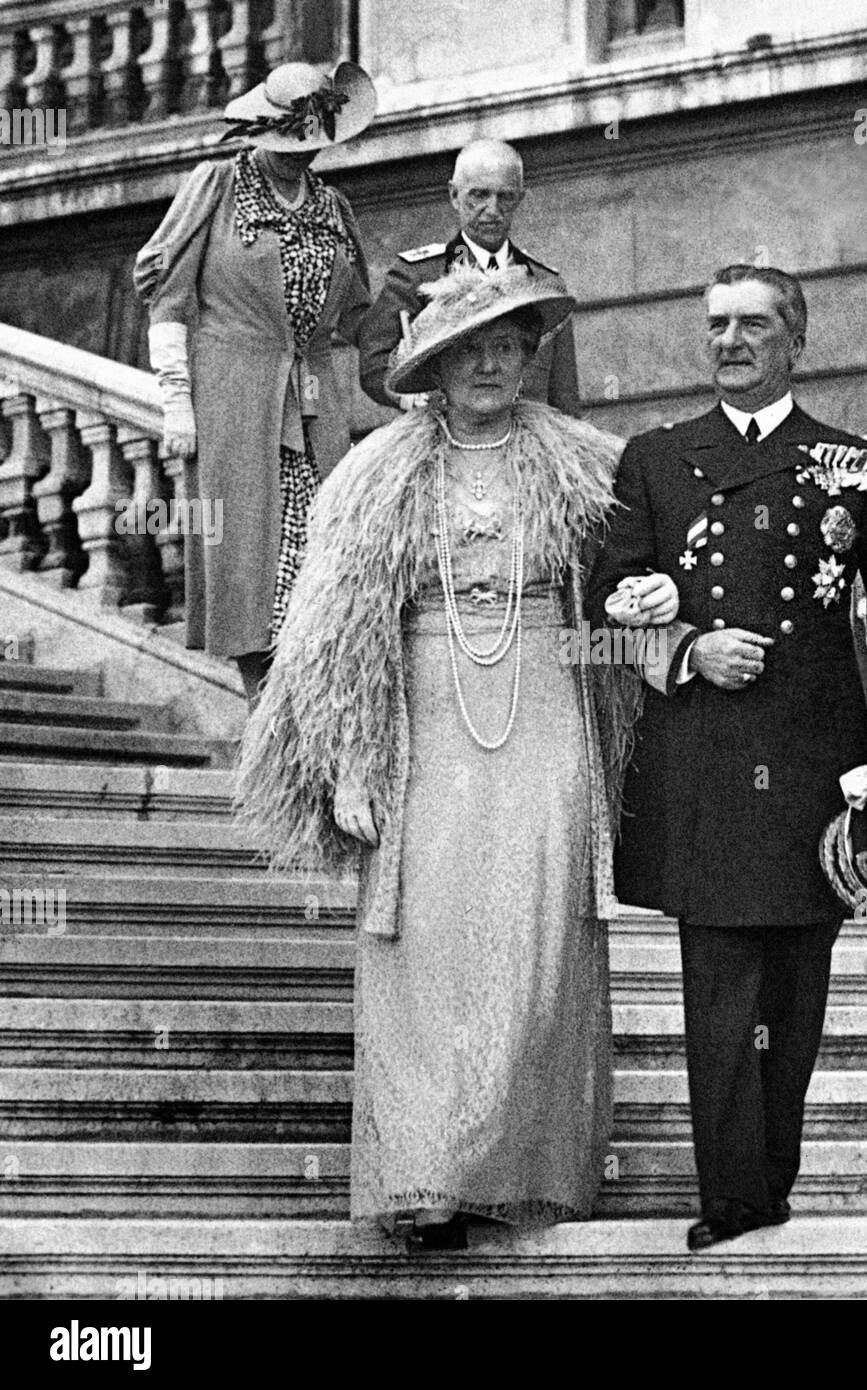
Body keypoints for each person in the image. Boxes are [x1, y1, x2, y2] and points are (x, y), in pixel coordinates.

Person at [237, 265, 676, 1249]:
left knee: (534, 936)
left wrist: (646, 606)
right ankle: (427, 1174)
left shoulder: (590, 466)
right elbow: (328, 632)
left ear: (531, 357)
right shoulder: (375, 476)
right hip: (423, 713)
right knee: (426, 939)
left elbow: (640, 578)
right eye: (466, 349)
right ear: (432, 366)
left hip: (543, 703)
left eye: (508, 345)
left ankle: (519, 1169)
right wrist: (350, 756)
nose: (489, 363)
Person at [586, 263, 867, 1252]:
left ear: (795, 340)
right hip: (701, 752)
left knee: (794, 981)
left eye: (751, 325)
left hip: (811, 756)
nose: (729, 341)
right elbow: (599, 610)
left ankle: (766, 1178)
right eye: (715, 326)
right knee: (719, 979)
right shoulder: (653, 459)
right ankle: (734, 1195)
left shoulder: (854, 466)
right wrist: (691, 649)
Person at [133, 61, 375, 705]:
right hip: (233, 403)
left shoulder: (333, 206)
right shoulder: (215, 185)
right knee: (249, 573)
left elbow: (359, 318)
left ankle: (306, 726)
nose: (302, 155)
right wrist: (176, 402)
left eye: (313, 142)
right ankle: (263, 720)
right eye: (290, 141)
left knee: (321, 570)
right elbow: (168, 300)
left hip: (317, 409)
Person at [357, 138, 581, 415]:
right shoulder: (418, 275)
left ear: (521, 198)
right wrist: (410, 399)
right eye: (479, 195)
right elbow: (374, 364)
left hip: (530, 443)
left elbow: (565, 396)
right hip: (448, 436)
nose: (492, 209)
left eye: (506, 197)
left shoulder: (543, 284)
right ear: (454, 196)